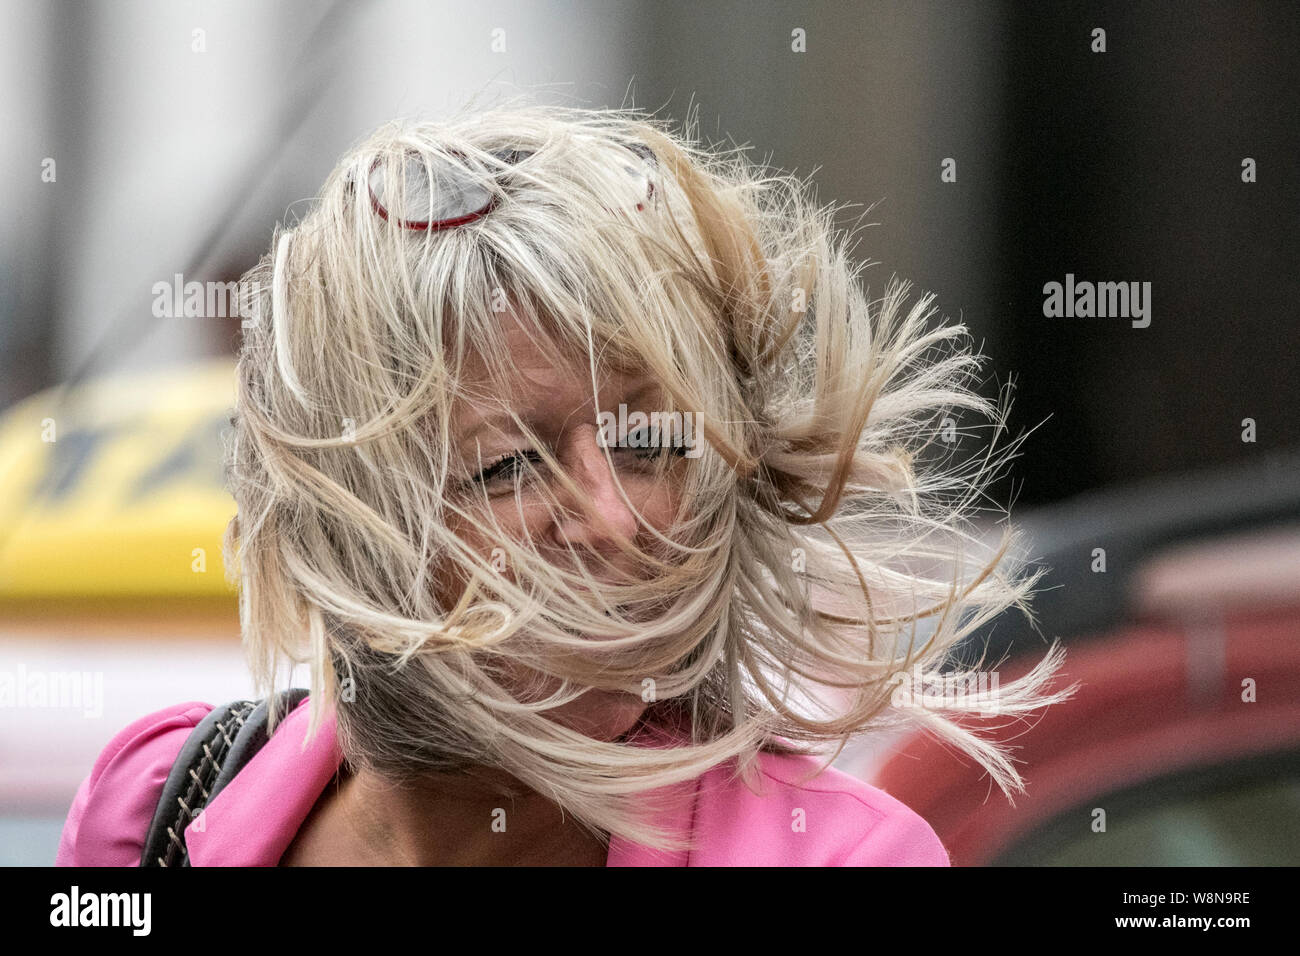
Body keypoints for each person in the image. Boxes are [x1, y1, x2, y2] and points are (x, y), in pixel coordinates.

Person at [56, 101, 1071, 867]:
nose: (615, 517)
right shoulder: (157, 806)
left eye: (648, 441)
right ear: (348, 531)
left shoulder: (839, 857)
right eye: (505, 465)